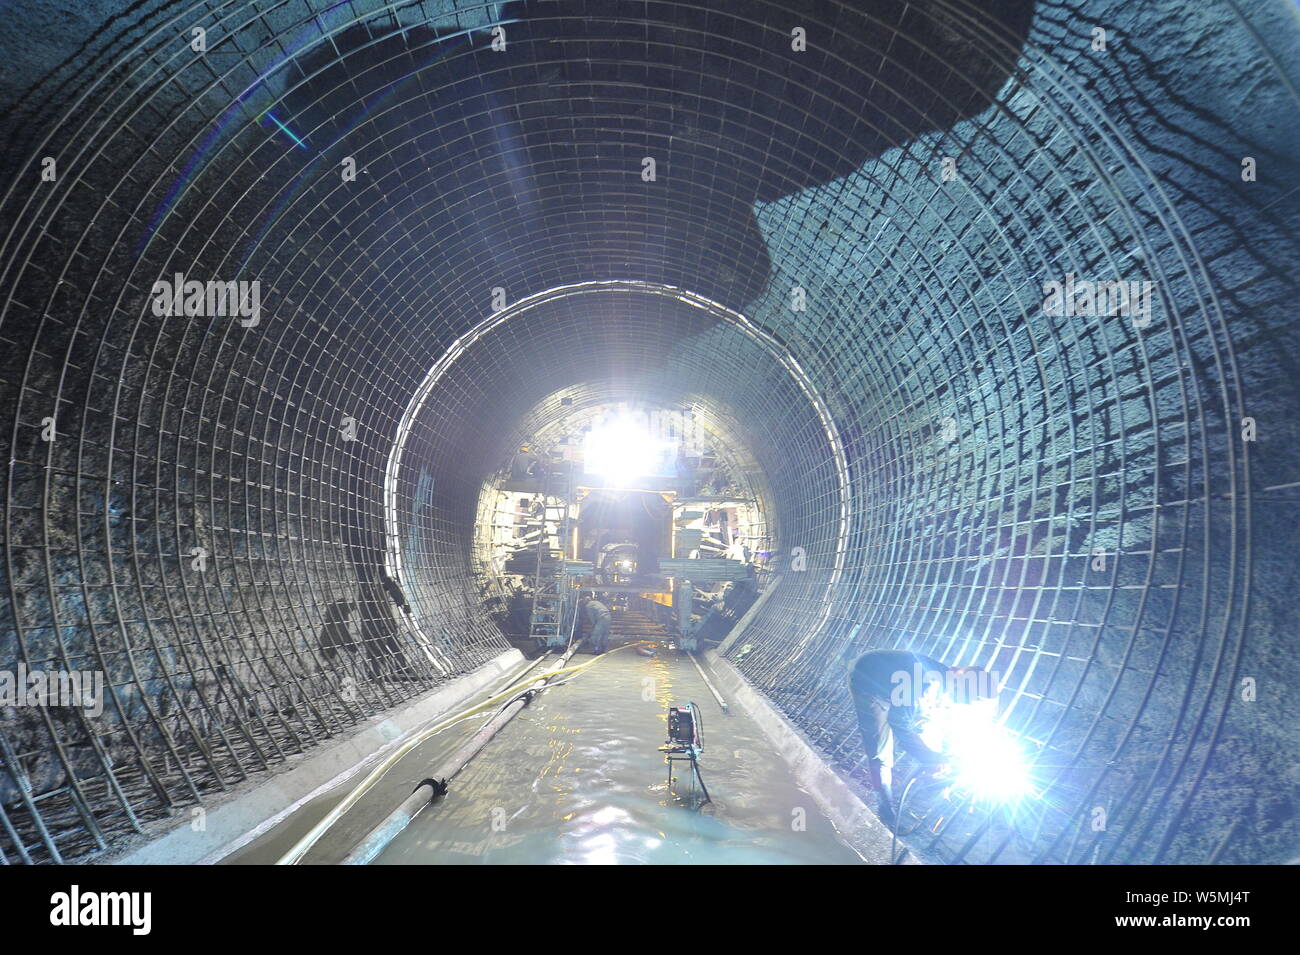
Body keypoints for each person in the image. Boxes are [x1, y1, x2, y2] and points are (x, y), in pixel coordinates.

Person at [849, 649, 993, 825]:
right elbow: (899, 724)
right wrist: (930, 757)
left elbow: (923, 720)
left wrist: (935, 753)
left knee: (924, 729)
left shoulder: (942, 680)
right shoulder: (929, 683)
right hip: (869, 681)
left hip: (887, 678)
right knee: (881, 751)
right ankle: (886, 811)